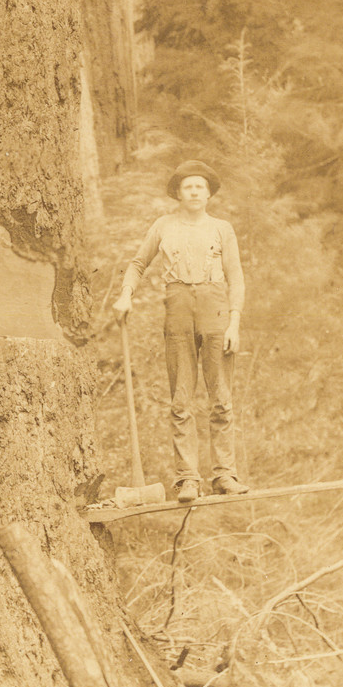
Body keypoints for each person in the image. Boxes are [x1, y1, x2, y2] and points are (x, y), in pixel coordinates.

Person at [113, 159, 248, 505]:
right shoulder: (163, 225)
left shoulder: (222, 228)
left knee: (221, 399)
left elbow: (236, 277)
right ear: (178, 192)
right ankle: (188, 478)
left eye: (200, 187)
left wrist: (234, 322)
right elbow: (138, 264)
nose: (194, 192)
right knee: (181, 399)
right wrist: (126, 294)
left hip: (216, 307)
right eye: (188, 186)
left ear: (208, 193)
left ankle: (224, 474)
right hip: (178, 309)